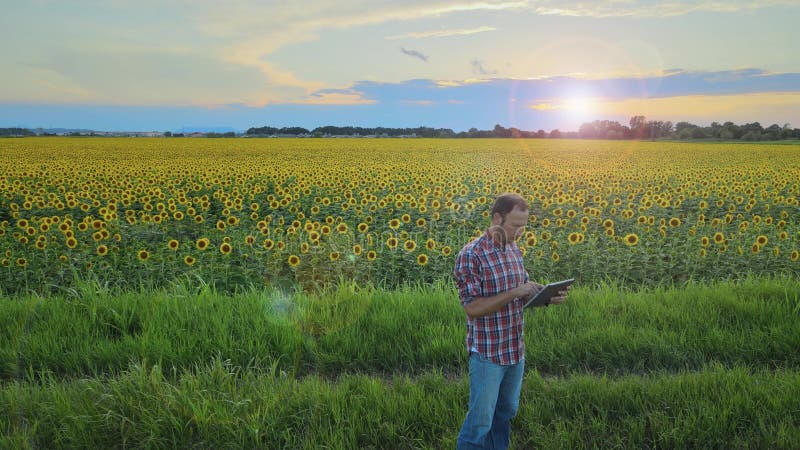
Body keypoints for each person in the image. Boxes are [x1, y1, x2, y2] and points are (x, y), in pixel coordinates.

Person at [453, 193, 568, 450]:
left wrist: (546, 293)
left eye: (524, 226)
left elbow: (523, 287)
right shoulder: (472, 255)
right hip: (488, 355)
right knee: (480, 423)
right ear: (497, 218)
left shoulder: (514, 248)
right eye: (515, 225)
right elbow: (472, 308)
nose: (520, 232)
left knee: (505, 414)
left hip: (515, 350)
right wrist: (515, 292)